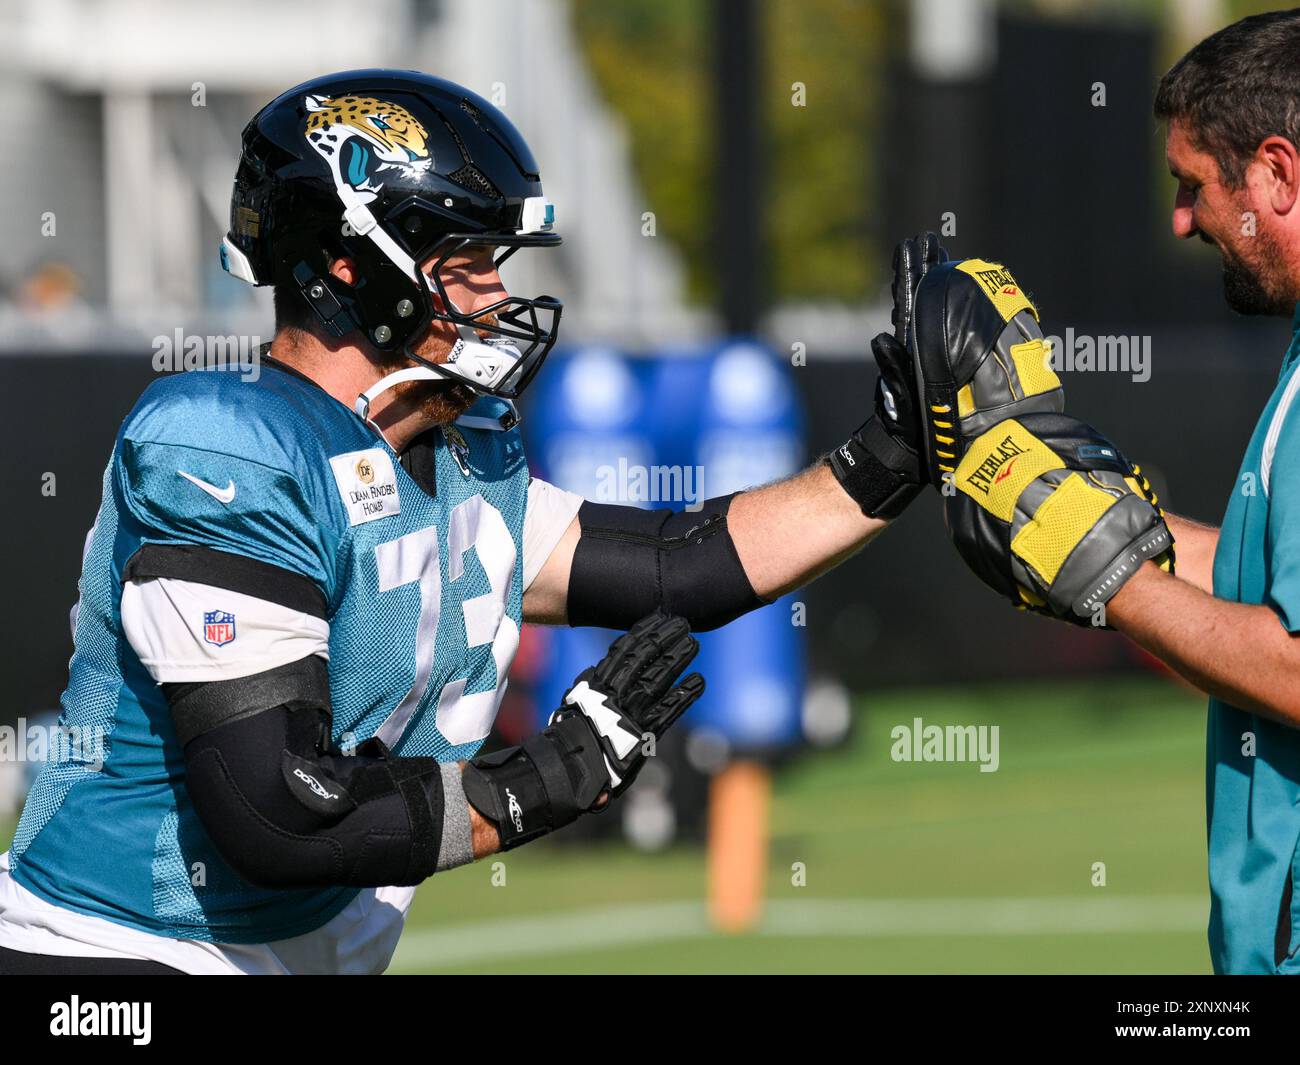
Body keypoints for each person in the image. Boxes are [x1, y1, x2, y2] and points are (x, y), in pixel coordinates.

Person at [0, 69, 979, 974]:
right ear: (349, 270)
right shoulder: (230, 449)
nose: (498, 295)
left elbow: (683, 568)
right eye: (464, 263)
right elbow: (277, 810)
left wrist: (894, 456)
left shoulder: (466, 448)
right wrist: (546, 779)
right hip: (114, 955)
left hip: (304, 953)